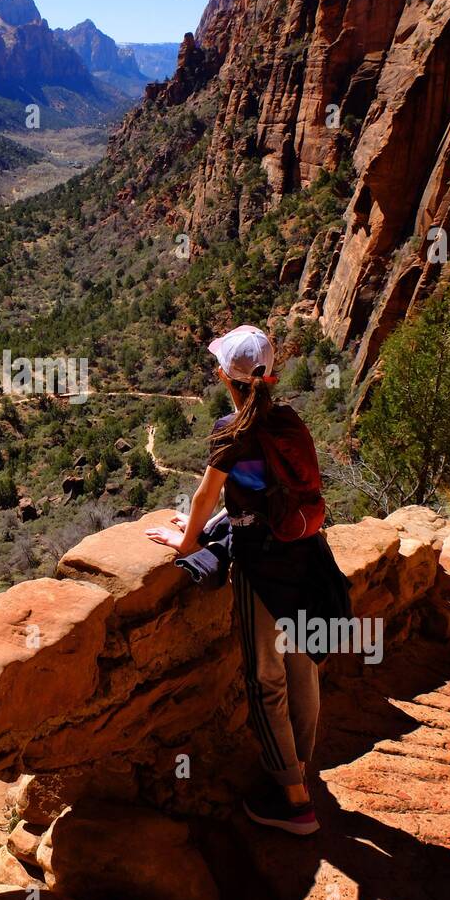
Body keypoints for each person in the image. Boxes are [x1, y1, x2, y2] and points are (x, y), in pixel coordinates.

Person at [147, 325, 350, 836]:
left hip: (262, 567)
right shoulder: (288, 420)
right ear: (270, 374)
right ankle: (299, 767)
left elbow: (205, 497)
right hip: (305, 555)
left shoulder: (231, 428)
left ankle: (296, 804)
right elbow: (261, 494)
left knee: (265, 682)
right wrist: (212, 527)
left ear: (224, 376)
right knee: (304, 665)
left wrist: (189, 542)